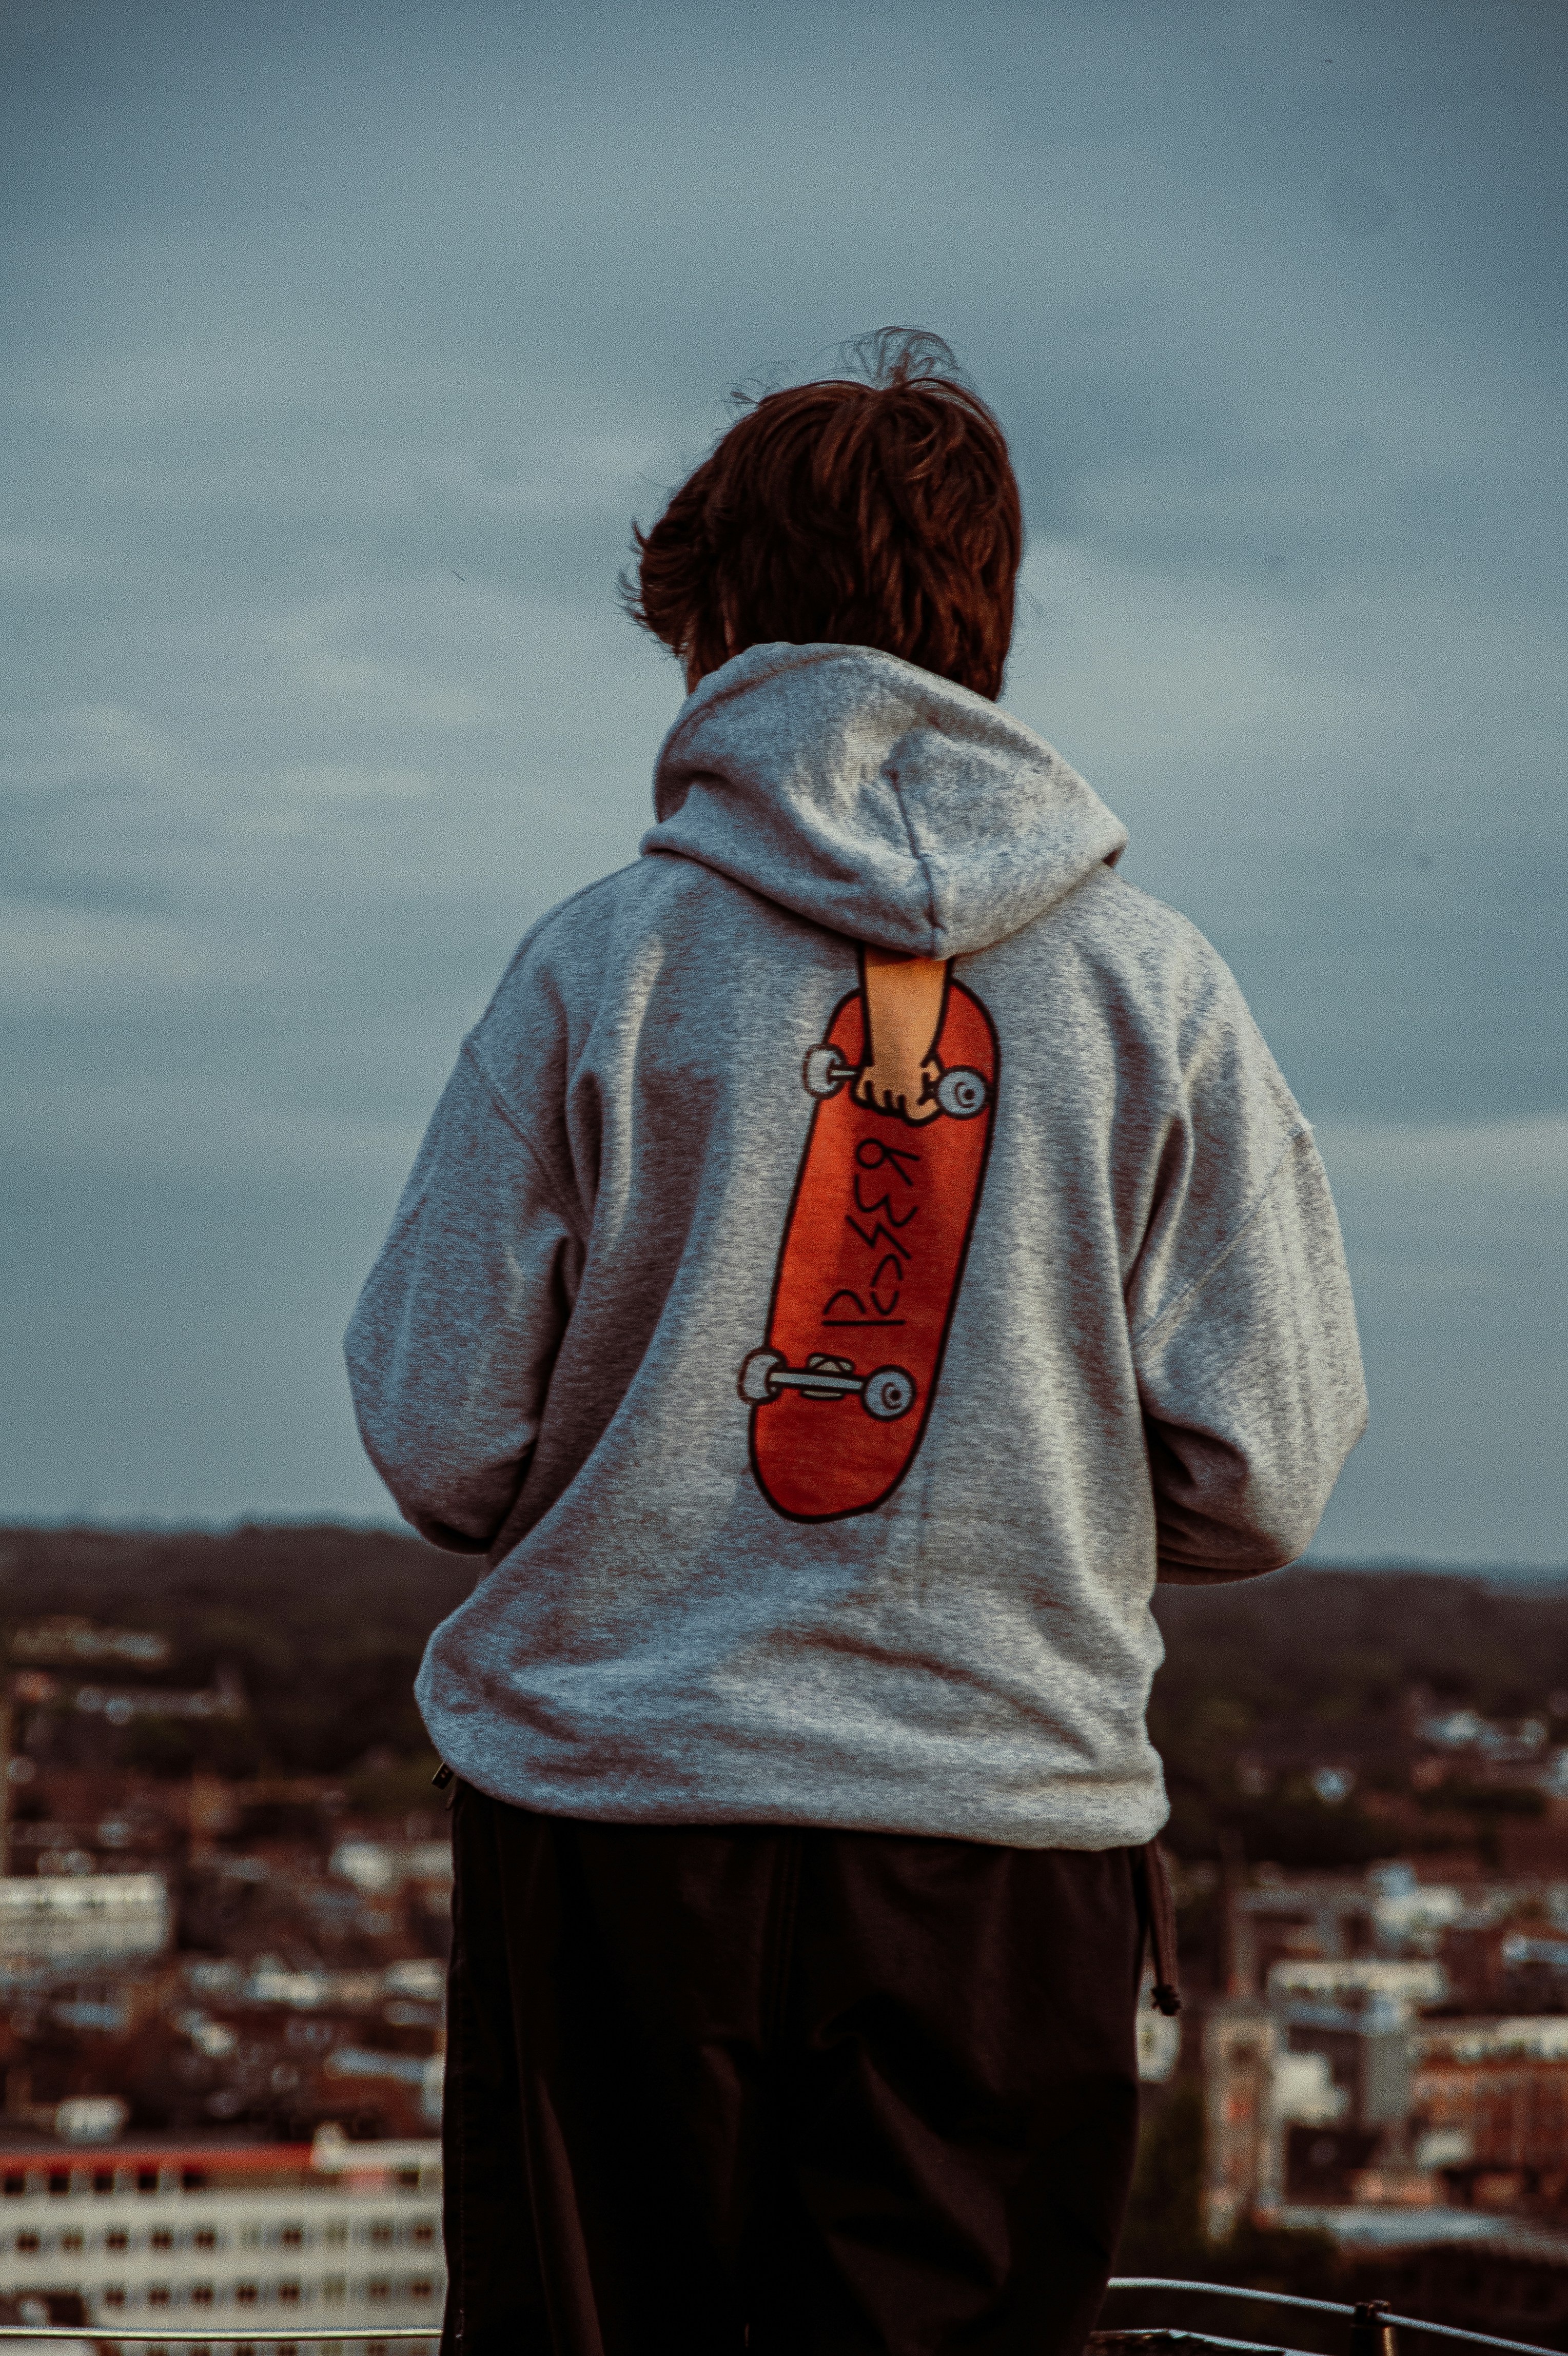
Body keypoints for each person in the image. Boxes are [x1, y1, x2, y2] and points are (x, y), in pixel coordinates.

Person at [345, 328, 1367, 2356]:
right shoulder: (1157, 989)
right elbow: (1263, 1460)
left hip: (614, 1839)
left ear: (717, 624)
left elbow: (439, 1430)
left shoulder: (592, 967)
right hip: (999, 1852)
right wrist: (1016, 1476)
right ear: (981, 630)